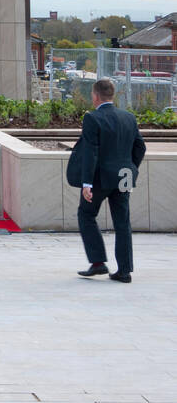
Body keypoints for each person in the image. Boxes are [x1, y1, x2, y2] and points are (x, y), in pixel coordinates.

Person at [75, 78, 146, 283]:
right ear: (112, 95)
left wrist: (86, 183)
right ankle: (124, 271)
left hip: (99, 179)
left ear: (96, 96)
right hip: (124, 177)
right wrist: (130, 168)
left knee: (86, 214)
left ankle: (98, 263)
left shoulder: (92, 118)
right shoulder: (128, 117)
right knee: (123, 222)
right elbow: (140, 148)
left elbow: (91, 152)